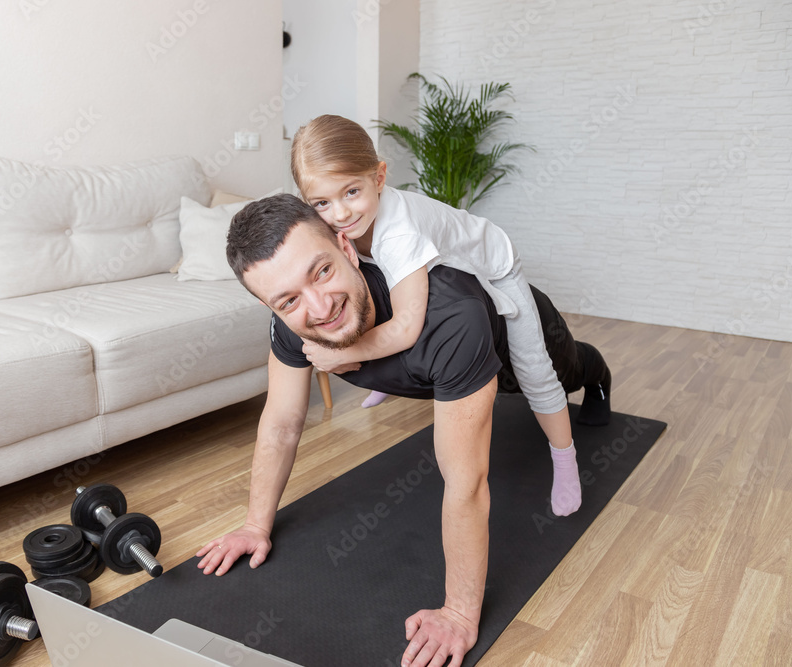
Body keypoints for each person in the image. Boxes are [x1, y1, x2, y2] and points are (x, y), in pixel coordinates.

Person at [196, 194, 612, 667]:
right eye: (288, 300)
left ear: (347, 248)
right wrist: (255, 525)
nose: (320, 306)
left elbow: (467, 483)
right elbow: (282, 422)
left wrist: (459, 612)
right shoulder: (295, 325)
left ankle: (602, 379)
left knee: (572, 371)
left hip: (514, 332)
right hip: (435, 370)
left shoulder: (449, 318)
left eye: (322, 272)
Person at [289, 115, 612, 516]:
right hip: (442, 266)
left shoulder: (399, 234)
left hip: (494, 264)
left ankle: (565, 461)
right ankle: (391, 379)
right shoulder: (349, 222)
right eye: (322, 203)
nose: (339, 214)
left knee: (533, 368)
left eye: (351, 191)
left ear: (379, 176)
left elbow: (407, 328)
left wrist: (339, 356)